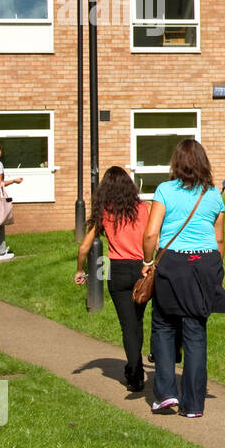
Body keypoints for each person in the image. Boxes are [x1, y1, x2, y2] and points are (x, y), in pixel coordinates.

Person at [141, 140, 225, 417]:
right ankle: (193, 404)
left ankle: (166, 394)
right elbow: (219, 239)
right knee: (195, 332)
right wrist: (213, 271)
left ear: (175, 163)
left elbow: (151, 234)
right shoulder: (214, 194)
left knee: (164, 326)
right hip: (205, 263)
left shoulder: (165, 190)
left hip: (173, 262)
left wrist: (147, 262)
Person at [74, 166, 151, 393]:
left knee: (127, 325)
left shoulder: (105, 213)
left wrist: (80, 270)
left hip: (117, 272)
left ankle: (135, 375)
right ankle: (135, 367)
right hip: (141, 270)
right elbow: (151, 236)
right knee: (137, 321)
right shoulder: (142, 208)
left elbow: (84, 247)